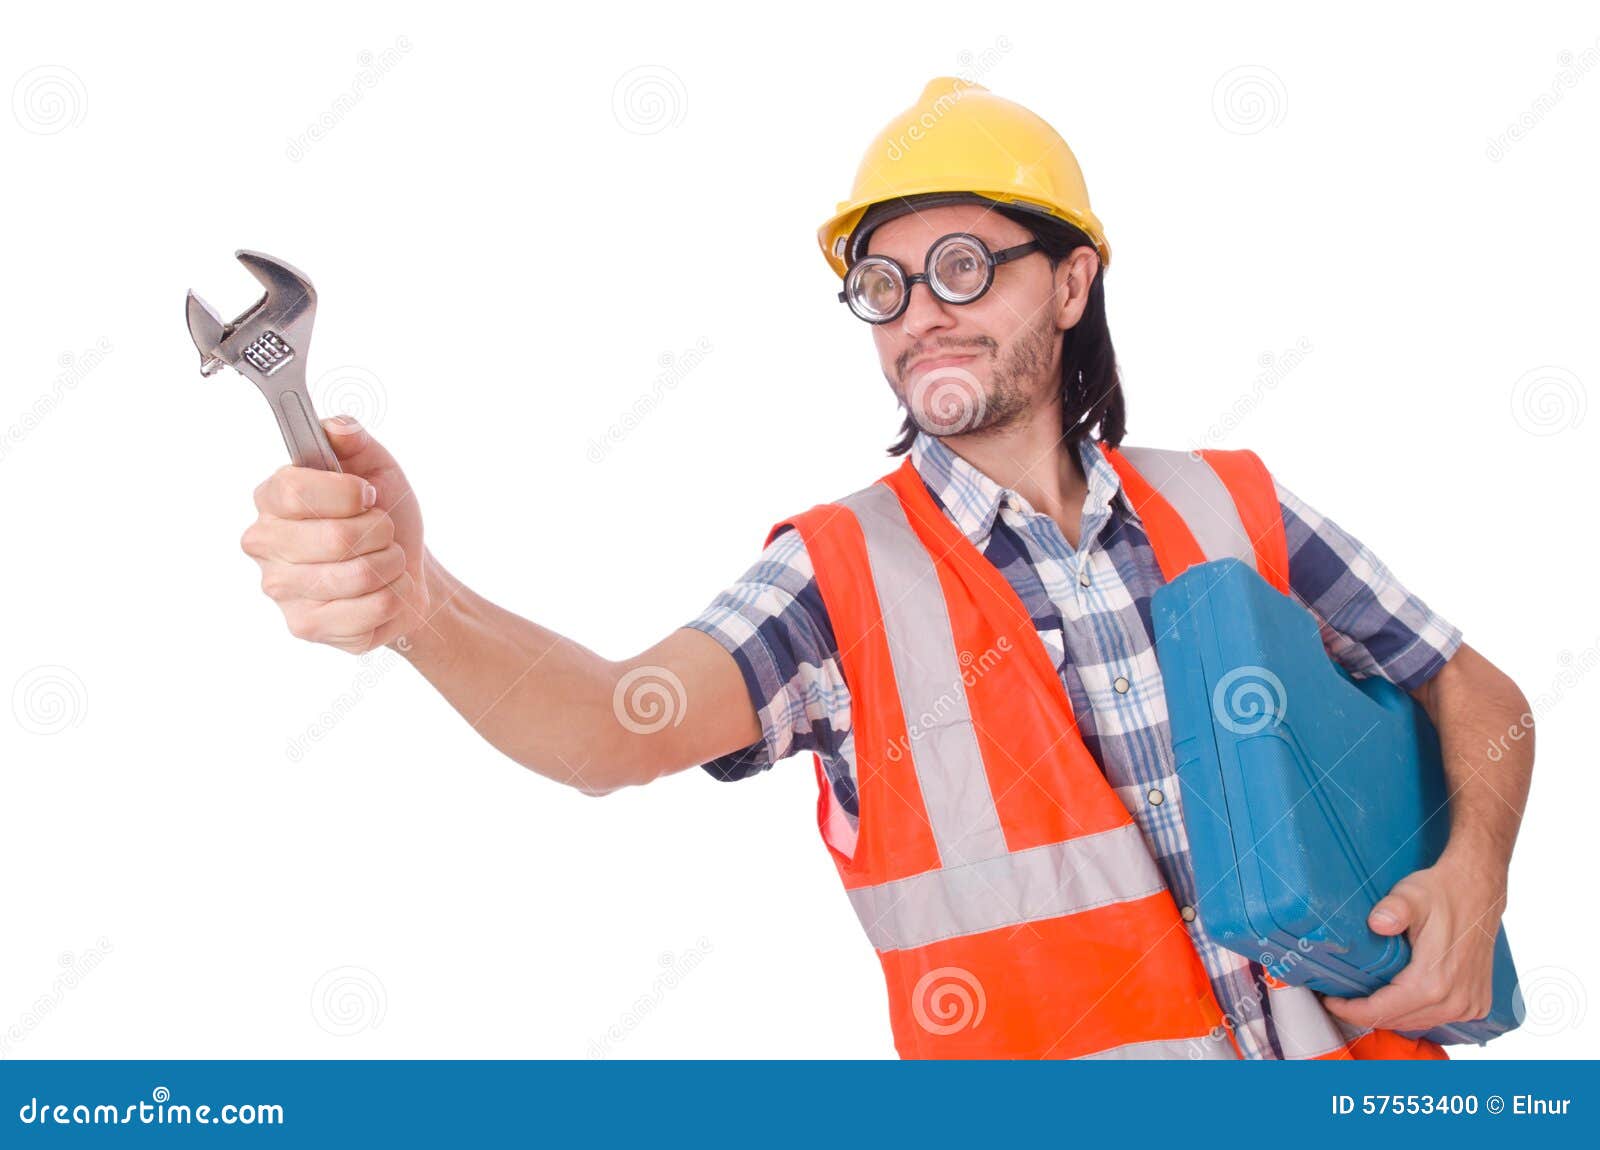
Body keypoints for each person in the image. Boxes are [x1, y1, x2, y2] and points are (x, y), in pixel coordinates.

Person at [238, 77, 1534, 1059]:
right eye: (884, 283)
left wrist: (1476, 872)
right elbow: (605, 725)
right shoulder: (839, 578)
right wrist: (421, 604)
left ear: (1072, 279)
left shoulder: (1233, 500)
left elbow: (1478, 694)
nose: (921, 310)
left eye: (965, 266)